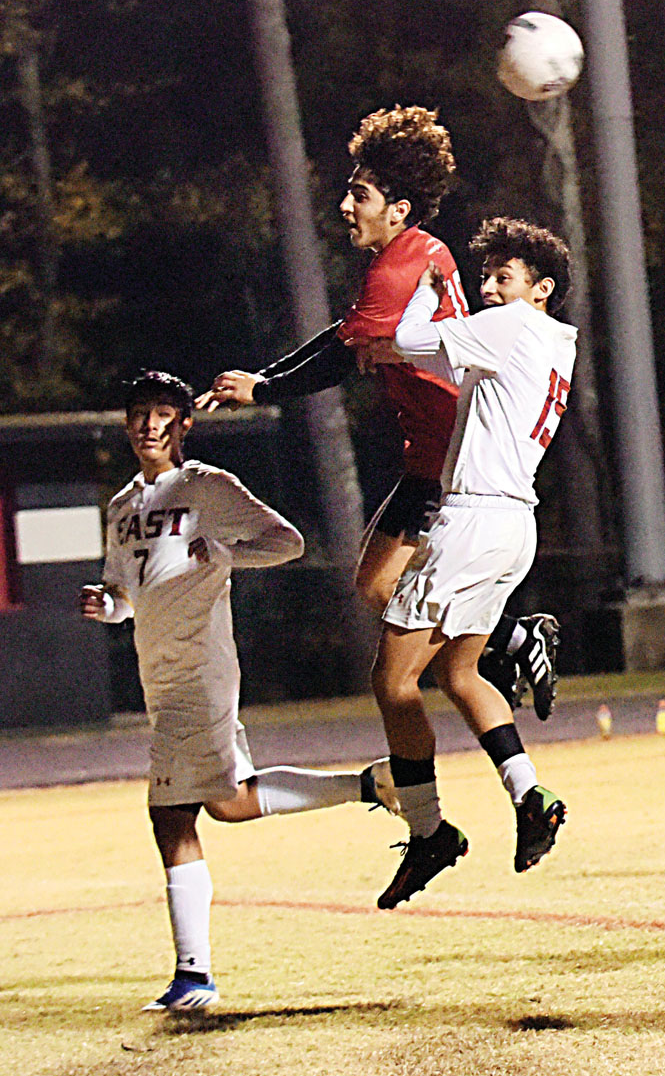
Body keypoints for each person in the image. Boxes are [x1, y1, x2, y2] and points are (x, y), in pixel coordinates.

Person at [196, 105, 559, 718]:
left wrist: (263, 391)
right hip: (432, 449)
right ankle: (510, 642)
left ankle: (439, 766)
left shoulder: (403, 262)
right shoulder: (411, 256)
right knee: (375, 586)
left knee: (400, 635)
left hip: (448, 457)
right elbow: (347, 337)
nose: (344, 204)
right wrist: (265, 380)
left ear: (399, 209)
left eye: (358, 193)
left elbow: (341, 356)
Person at [80, 370, 399, 1011]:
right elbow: (126, 594)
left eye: (162, 413)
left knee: (170, 814)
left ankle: (194, 976)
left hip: (201, 668)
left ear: (184, 424)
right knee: (227, 804)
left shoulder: (206, 486)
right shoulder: (121, 508)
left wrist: (222, 549)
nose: (149, 425)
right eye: (139, 413)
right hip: (159, 673)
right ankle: (371, 784)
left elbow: (285, 542)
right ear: (126, 425)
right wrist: (109, 604)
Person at [361, 217, 576, 910]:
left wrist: (429, 286)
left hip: (475, 516)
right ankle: (530, 795)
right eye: (484, 277)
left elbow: (407, 340)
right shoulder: (549, 341)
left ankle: (429, 831)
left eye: (503, 277)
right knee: (459, 672)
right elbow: (440, 364)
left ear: (541, 289)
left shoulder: (512, 325)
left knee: (392, 680)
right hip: (516, 521)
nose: (488, 288)